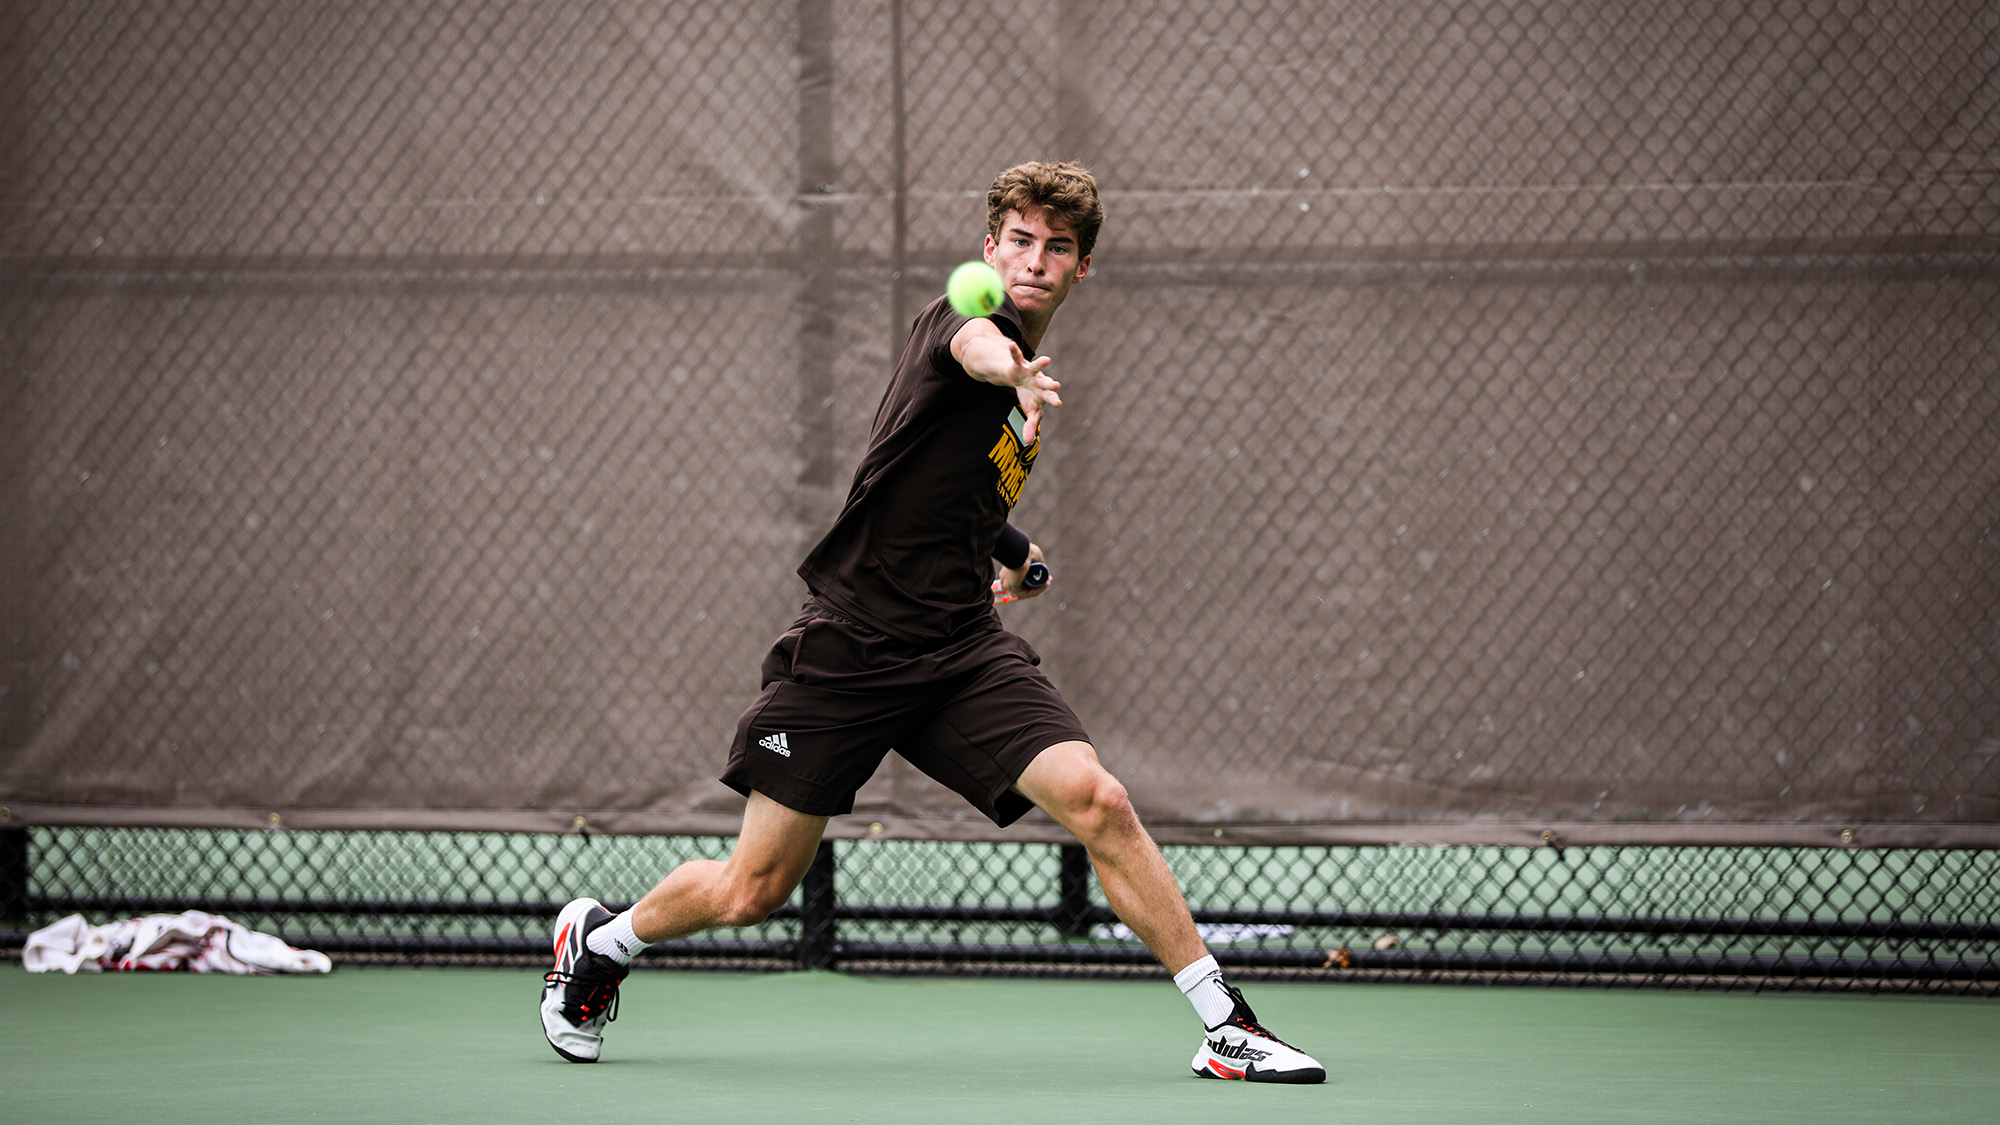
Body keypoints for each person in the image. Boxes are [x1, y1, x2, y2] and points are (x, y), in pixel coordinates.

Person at [539, 161, 1324, 1084]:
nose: (1035, 260)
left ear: (1082, 269)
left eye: (1057, 247)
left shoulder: (1022, 390)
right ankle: (601, 939)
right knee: (754, 890)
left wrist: (1015, 555)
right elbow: (976, 351)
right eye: (1020, 241)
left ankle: (1225, 1025)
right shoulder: (965, 329)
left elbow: (960, 492)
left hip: (958, 649)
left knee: (1100, 799)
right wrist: (1011, 368)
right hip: (847, 648)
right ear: (990, 248)